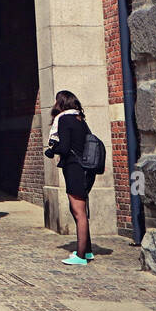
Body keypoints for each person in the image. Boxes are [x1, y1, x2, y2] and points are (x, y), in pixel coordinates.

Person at [44, 90, 94, 265]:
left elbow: (64, 148)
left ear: (61, 103)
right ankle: (87, 251)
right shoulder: (80, 119)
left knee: (78, 212)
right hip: (85, 169)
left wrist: (52, 150)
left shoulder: (64, 119)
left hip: (74, 168)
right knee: (81, 211)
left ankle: (80, 256)